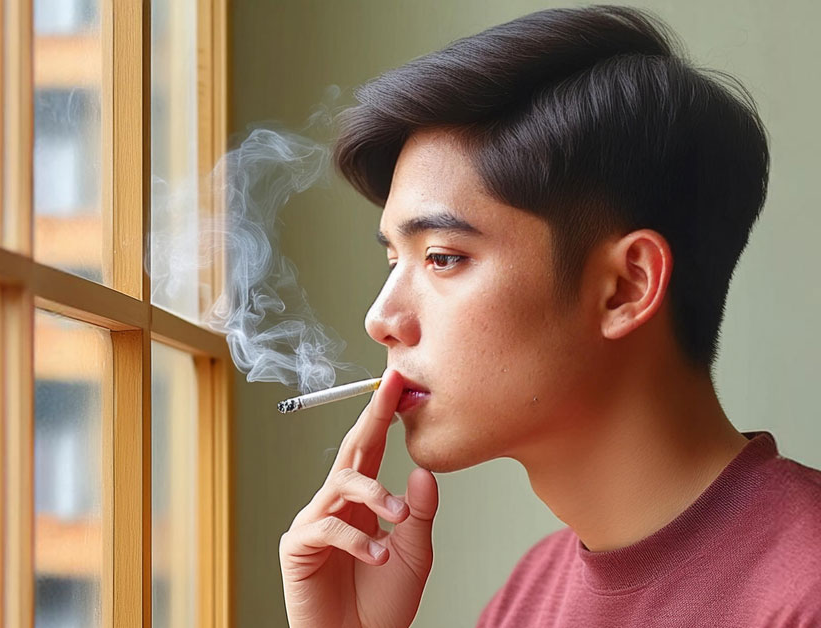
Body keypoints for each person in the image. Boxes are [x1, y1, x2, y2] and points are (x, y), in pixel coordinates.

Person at [278, 6, 821, 627]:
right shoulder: (528, 598)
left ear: (624, 287)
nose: (381, 319)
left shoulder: (804, 591)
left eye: (442, 258)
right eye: (392, 260)